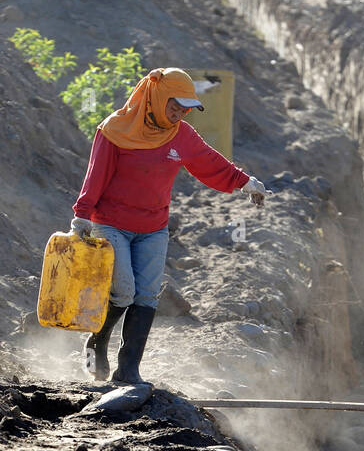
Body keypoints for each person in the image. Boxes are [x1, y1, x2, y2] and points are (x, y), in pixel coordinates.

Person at [71, 66, 267, 387]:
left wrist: (248, 184)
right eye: (173, 106)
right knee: (124, 290)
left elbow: (210, 161)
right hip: (110, 224)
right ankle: (97, 342)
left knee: (147, 296)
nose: (178, 114)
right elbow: (96, 175)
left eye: (185, 109)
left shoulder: (182, 135)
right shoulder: (114, 130)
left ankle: (128, 370)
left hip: (153, 228)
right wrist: (81, 216)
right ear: (155, 97)